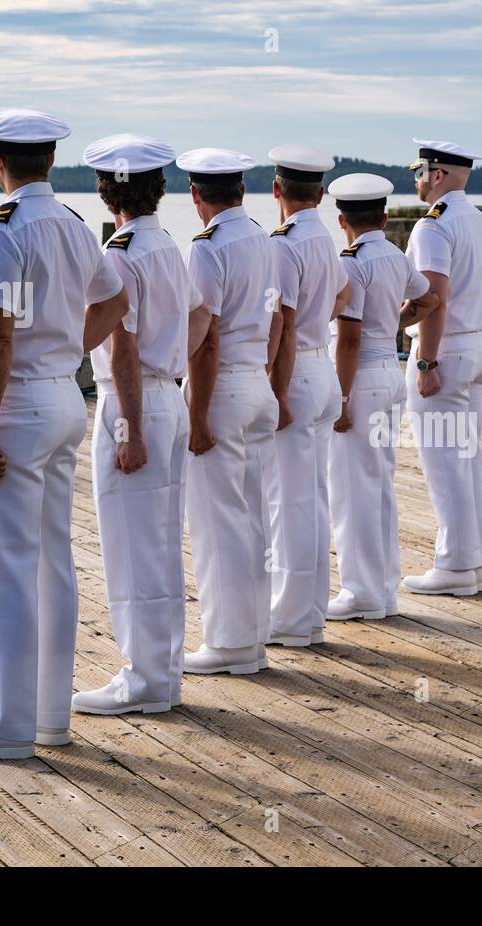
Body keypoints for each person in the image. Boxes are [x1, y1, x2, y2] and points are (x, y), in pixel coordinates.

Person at [0, 108, 130, 759]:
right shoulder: (74, 225)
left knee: (1, 568)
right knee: (52, 562)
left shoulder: (4, 230)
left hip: (16, 409)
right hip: (66, 400)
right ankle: (49, 716)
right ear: (49, 161)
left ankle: (3, 723)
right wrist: (69, 351)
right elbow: (115, 300)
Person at [72, 133, 214, 716]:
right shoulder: (168, 247)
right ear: (159, 189)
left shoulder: (120, 254)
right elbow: (202, 312)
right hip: (167, 398)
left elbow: (122, 349)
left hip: (132, 405)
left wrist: (129, 428)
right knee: (158, 541)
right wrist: (176, 365)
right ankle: (162, 670)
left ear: (108, 194)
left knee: (133, 547)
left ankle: (145, 679)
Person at [176, 147, 283, 675]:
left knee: (217, 523)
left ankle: (227, 643)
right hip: (256, 385)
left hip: (220, 392)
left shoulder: (207, 247)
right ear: (242, 191)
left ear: (196, 195)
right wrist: (263, 377)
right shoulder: (265, 239)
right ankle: (253, 636)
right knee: (253, 517)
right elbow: (280, 319)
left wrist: (196, 416)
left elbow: (206, 337)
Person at [325, 173, 438, 620]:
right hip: (388, 374)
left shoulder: (351, 261)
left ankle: (361, 592)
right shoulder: (394, 254)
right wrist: (394, 322)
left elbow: (347, 340)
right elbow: (429, 301)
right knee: (378, 485)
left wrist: (342, 398)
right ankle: (382, 588)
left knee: (352, 490)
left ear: (341, 221)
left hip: (362, 379)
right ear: (385, 217)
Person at [401, 139, 482, 597]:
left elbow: (434, 298)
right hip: (479, 344)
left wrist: (425, 360)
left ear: (437, 174)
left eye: (419, 170)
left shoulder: (433, 226)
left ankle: (455, 566)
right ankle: (472, 562)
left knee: (445, 464)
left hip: (447, 351)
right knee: (467, 460)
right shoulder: (480, 221)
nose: (416, 178)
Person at [263, 145, 348, 647]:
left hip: (295, 376)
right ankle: (311, 612)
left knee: (288, 500)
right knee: (312, 496)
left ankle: (290, 618)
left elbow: (283, 323)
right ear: (320, 193)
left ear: (277, 190)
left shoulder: (283, 242)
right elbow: (343, 295)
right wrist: (323, 321)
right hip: (323, 370)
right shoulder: (323, 236)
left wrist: (274, 391)